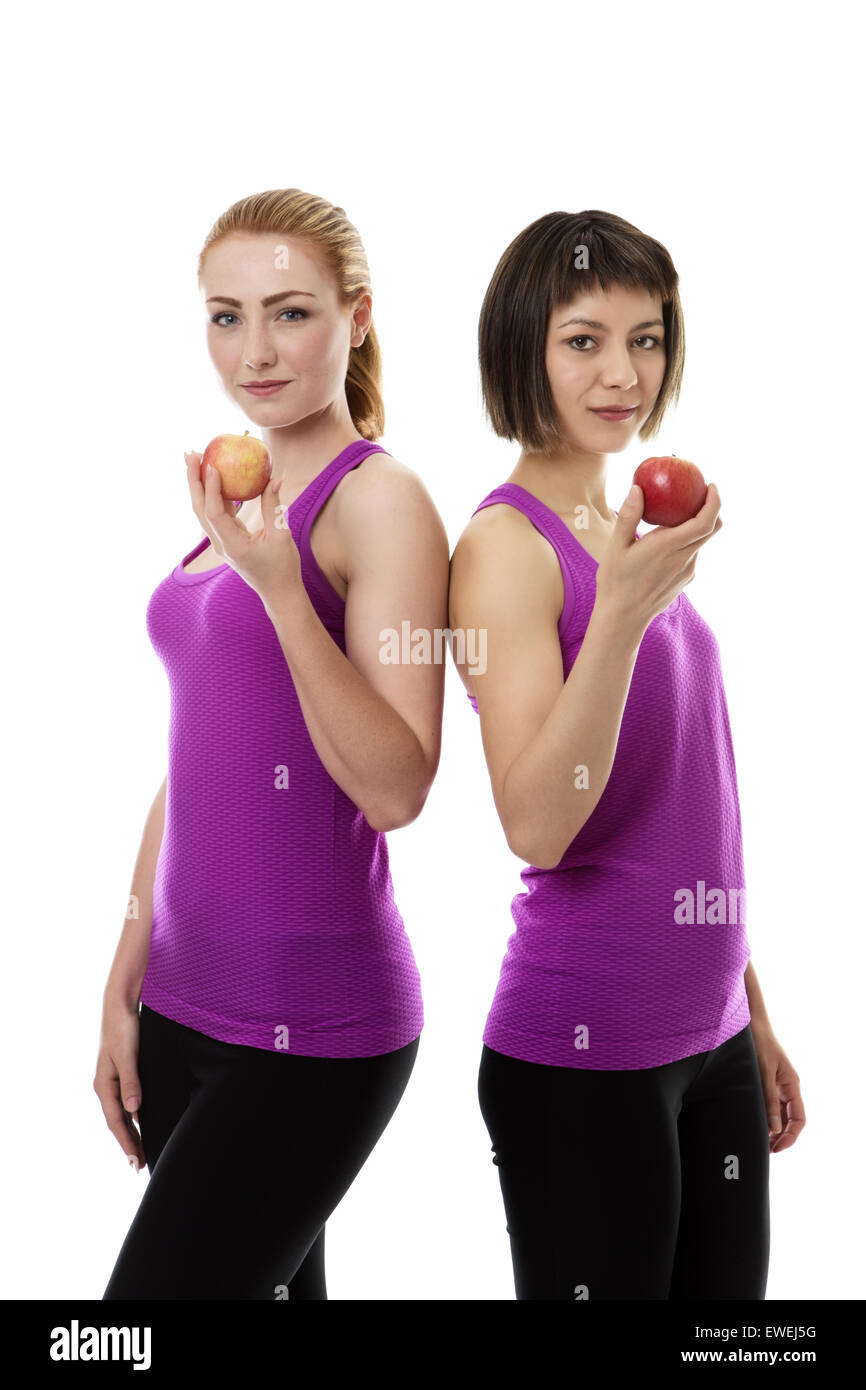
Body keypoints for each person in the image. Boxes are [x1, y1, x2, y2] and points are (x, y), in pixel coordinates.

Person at [95, 187, 448, 1300]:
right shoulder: (236, 490)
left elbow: (398, 784)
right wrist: (126, 970)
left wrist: (285, 595)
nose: (253, 350)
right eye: (224, 315)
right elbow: (200, 755)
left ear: (356, 315)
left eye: (289, 313)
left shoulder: (379, 503)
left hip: (312, 1028)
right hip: (184, 1008)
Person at [448, 209, 805, 1301]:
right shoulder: (505, 549)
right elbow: (537, 823)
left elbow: (684, 798)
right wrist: (617, 614)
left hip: (712, 1043)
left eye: (645, 338)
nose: (623, 372)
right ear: (523, 347)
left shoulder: (621, 526)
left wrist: (750, 1014)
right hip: (581, 1050)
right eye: (583, 339)